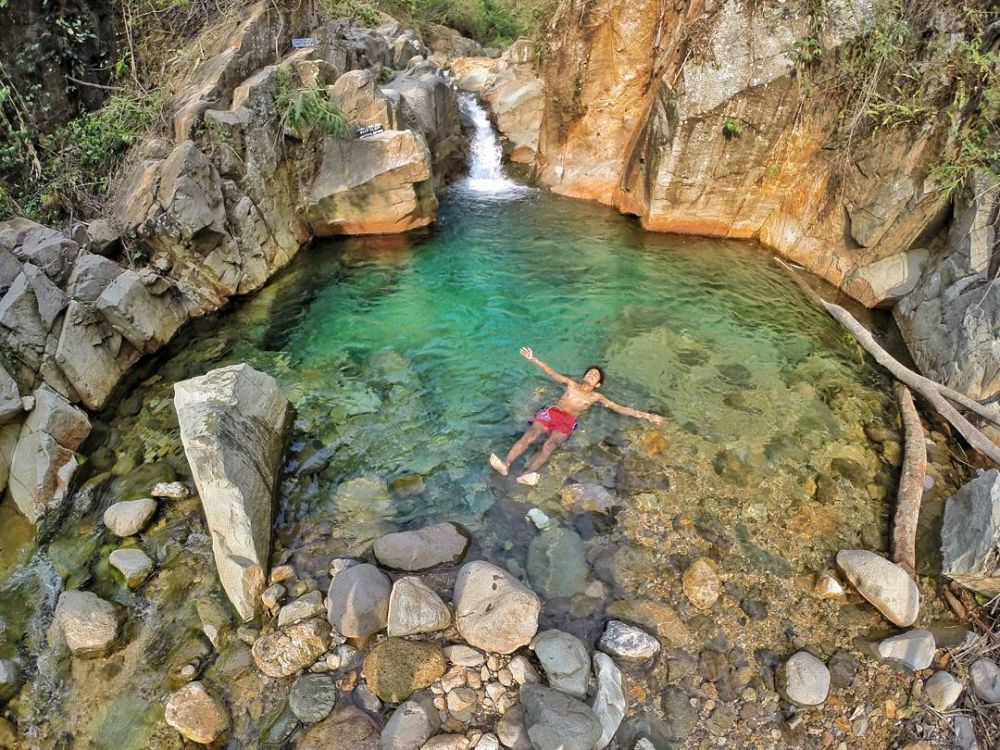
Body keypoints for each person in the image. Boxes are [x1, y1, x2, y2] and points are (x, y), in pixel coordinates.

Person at [490, 346, 665, 486]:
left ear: (598, 385)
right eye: (589, 373)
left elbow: (620, 408)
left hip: (567, 422)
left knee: (550, 445)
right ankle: (506, 464)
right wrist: (533, 358)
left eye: (595, 375)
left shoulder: (597, 397)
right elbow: (552, 373)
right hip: (552, 413)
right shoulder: (571, 384)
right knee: (531, 435)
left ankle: (527, 475)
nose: (591, 374)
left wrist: (649, 416)